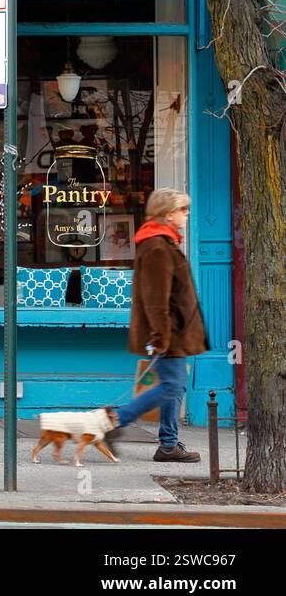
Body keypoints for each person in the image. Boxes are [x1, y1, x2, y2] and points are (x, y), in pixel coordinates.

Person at [105, 188, 210, 461]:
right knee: (173, 386)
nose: (187, 214)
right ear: (167, 213)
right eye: (182, 209)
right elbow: (155, 299)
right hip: (169, 333)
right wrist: (161, 336)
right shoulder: (157, 247)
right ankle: (116, 421)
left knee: (175, 385)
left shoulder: (164, 242)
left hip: (175, 331)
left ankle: (168, 444)